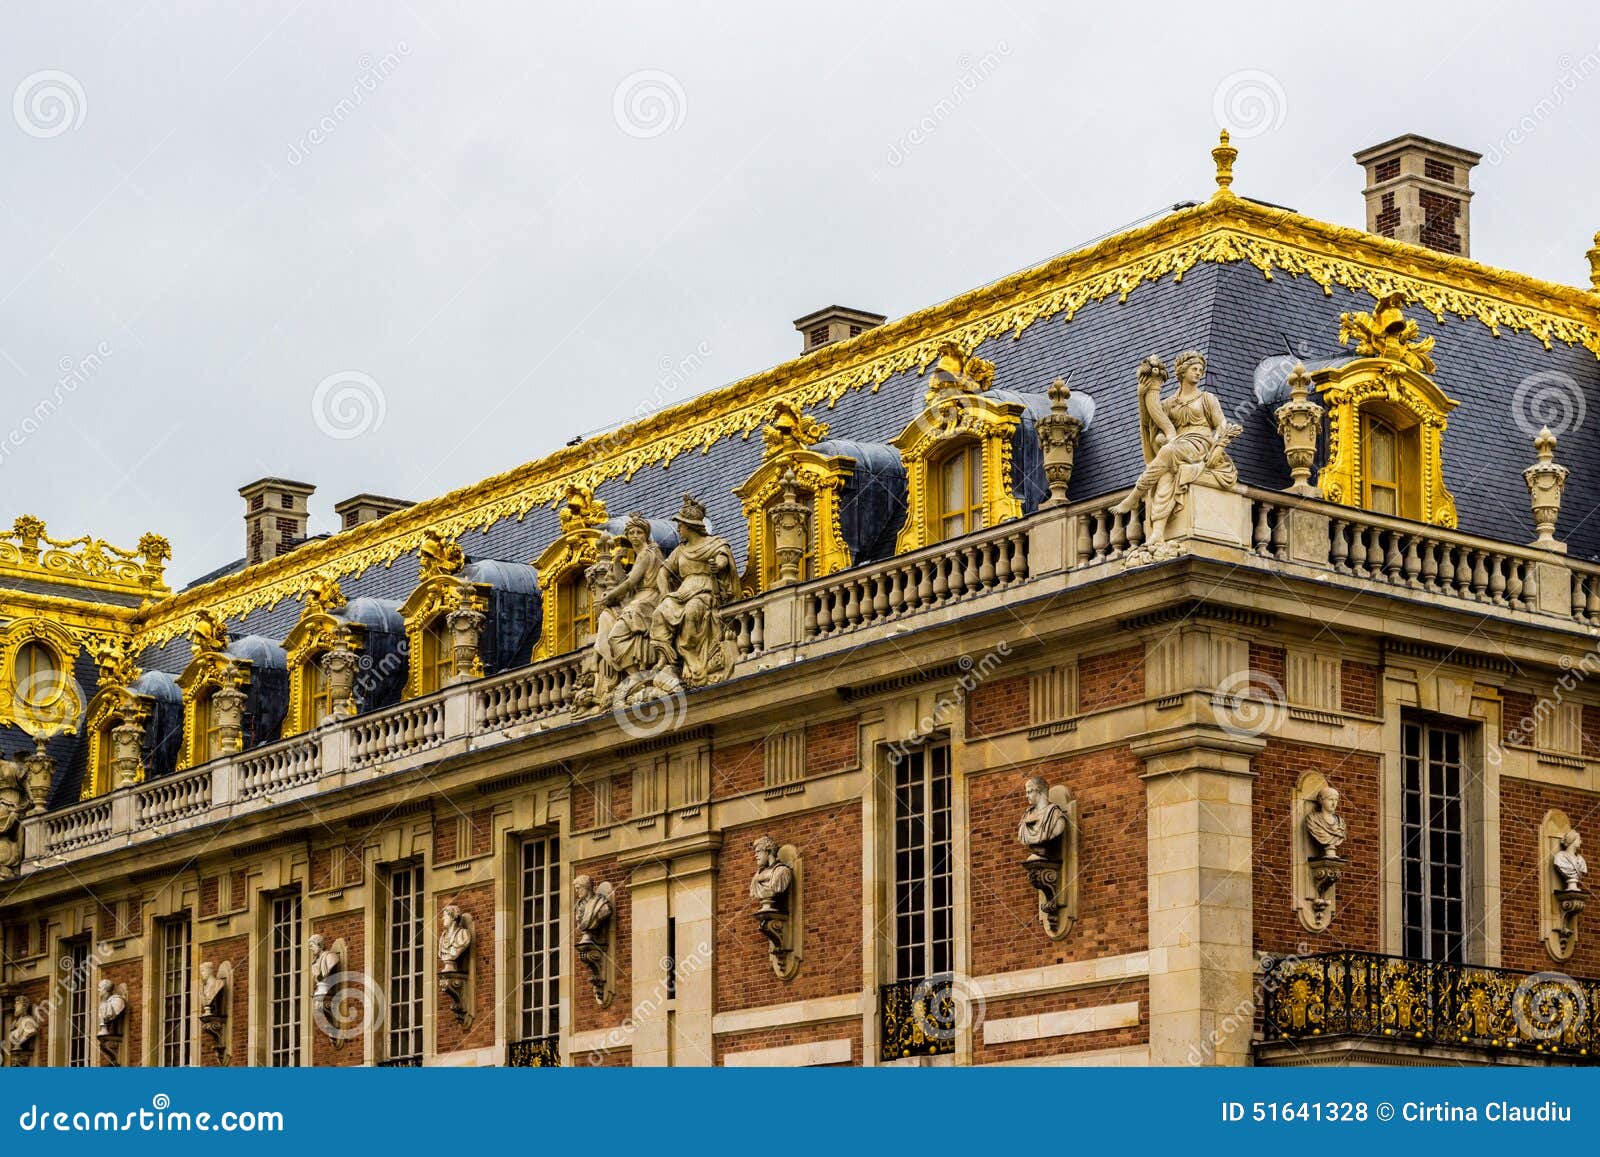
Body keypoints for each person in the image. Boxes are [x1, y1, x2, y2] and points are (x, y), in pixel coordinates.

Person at [1111, 352, 1241, 544]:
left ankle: (1135, 495)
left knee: (1167, 452)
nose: (1198, 373)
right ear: (1182, 372)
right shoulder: (1169, 403)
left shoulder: (1207, 398)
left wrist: (1221, 441)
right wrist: (1142, 395)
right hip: (1178, 447)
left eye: (1200, 370)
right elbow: (1148, 425)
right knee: (1166, 475)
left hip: (1200, 444)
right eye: (1194, 369)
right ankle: (1158, 531)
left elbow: (1221, 424)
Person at [648, 495, 737, 687]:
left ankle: (692, 662)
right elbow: (663, 572)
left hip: (704, 590)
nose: (678, 529)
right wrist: (665, 595)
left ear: (690, 527)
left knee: (692, 612)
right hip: (683, 591)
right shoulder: (681, 550)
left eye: (680, 525)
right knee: (659, 613)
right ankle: (666, 658)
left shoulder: (713, 542)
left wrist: (718, 566)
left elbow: (723, 557)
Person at [1017, 776, 1067, 857]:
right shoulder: (1026, 815)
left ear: (1039, 791)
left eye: (1029, 792)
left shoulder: (1055, 814)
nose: (1026, 796)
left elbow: (1058, 829)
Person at [749, 836, 794, 910]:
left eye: (758, 851)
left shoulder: (782, 871)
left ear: (768, 852)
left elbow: (777, 886)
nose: (755, 855)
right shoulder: (757, 876)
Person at [1305, 786, 1348, 859]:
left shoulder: (1341, 823)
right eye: (1330, 799)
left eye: (1336, 800)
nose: (1334, 803)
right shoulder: (1312, 820)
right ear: (1321, 800)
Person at [439, 904, 473, 970]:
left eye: (445, 916)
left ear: (453, 917)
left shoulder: (463, 934)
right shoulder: (442, 938)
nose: (443, 918)